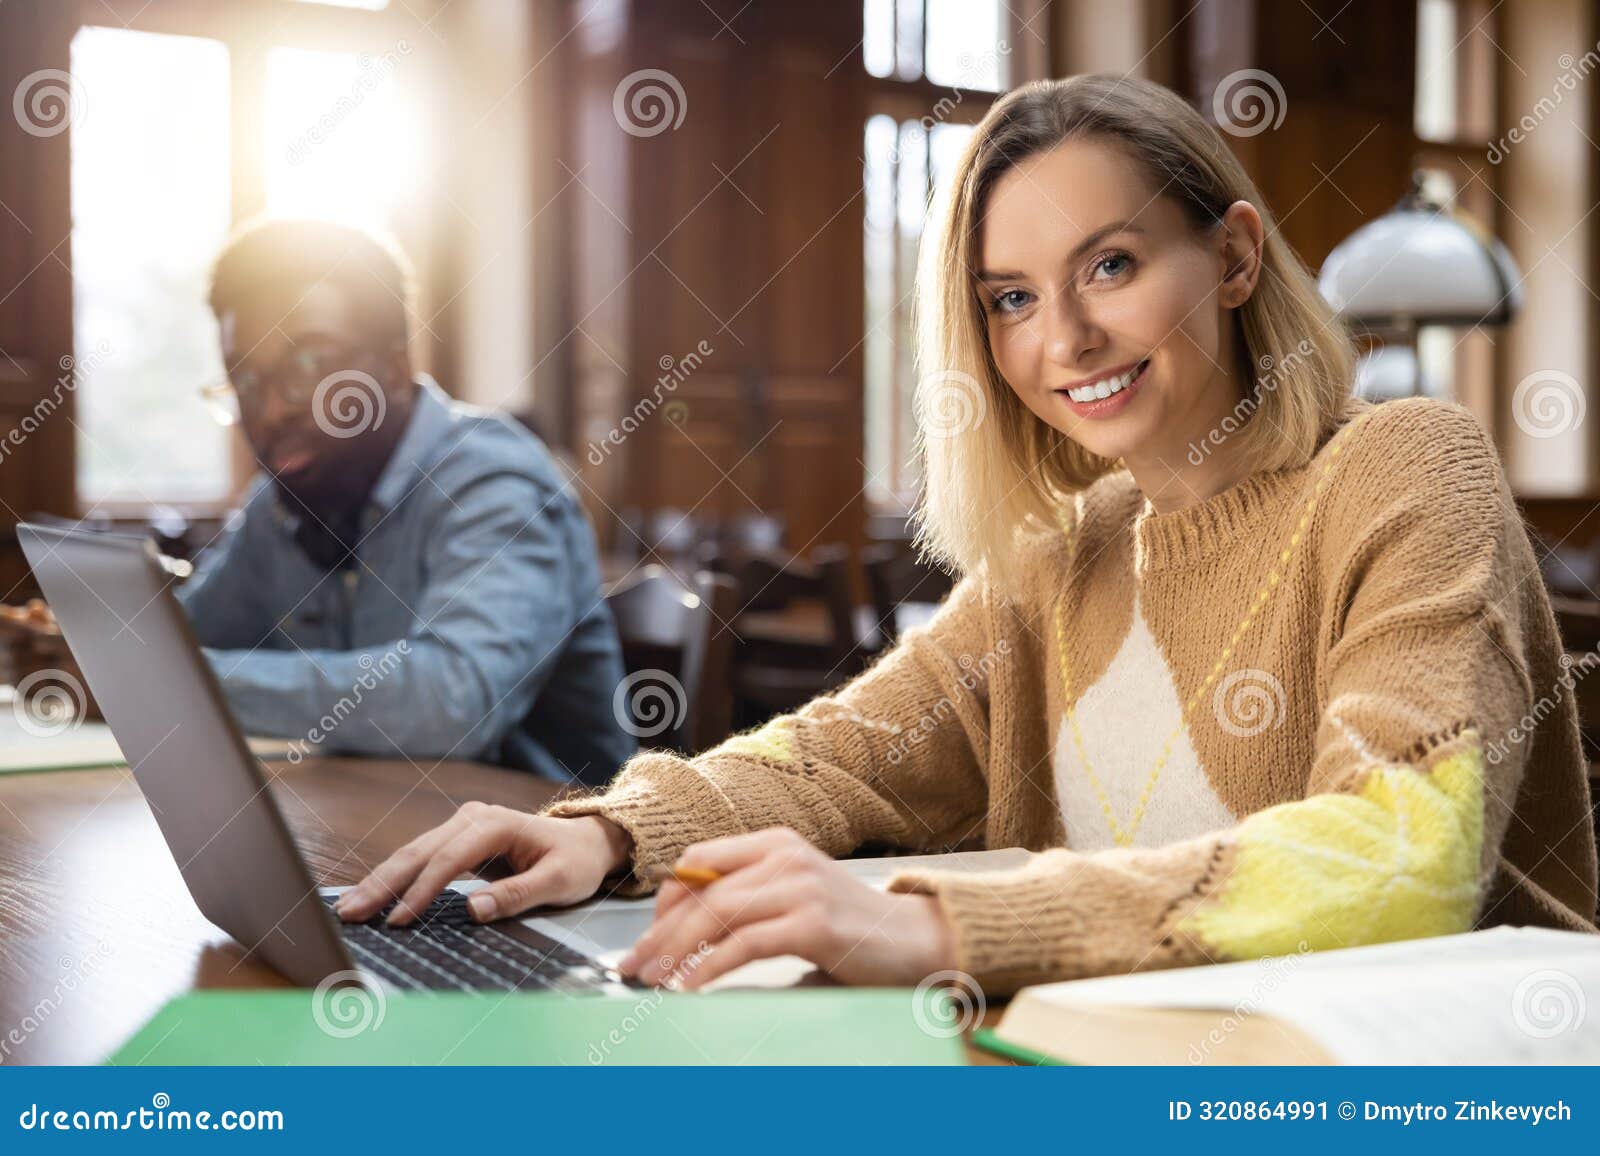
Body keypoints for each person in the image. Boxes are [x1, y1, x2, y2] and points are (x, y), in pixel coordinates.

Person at [336, 75, 1598, 995]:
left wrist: (945, 927)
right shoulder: (1067, 549)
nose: (1063, 341)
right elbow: (846, 754)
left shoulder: (1403, 465)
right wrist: (608, 830)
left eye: (1110, 265)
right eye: (1010, 298)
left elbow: (1402, 853)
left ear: (1233, 256)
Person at [8, 219, 634, 785]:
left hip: (555, 871)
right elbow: (191, 636)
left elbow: (454, 704)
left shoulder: (495, 481)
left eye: (310, 362)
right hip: (375, 832)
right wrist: (91, 650)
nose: (272, 408)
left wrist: (151, 680)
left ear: (394, 366)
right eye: (245, 379)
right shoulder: (281, 500)